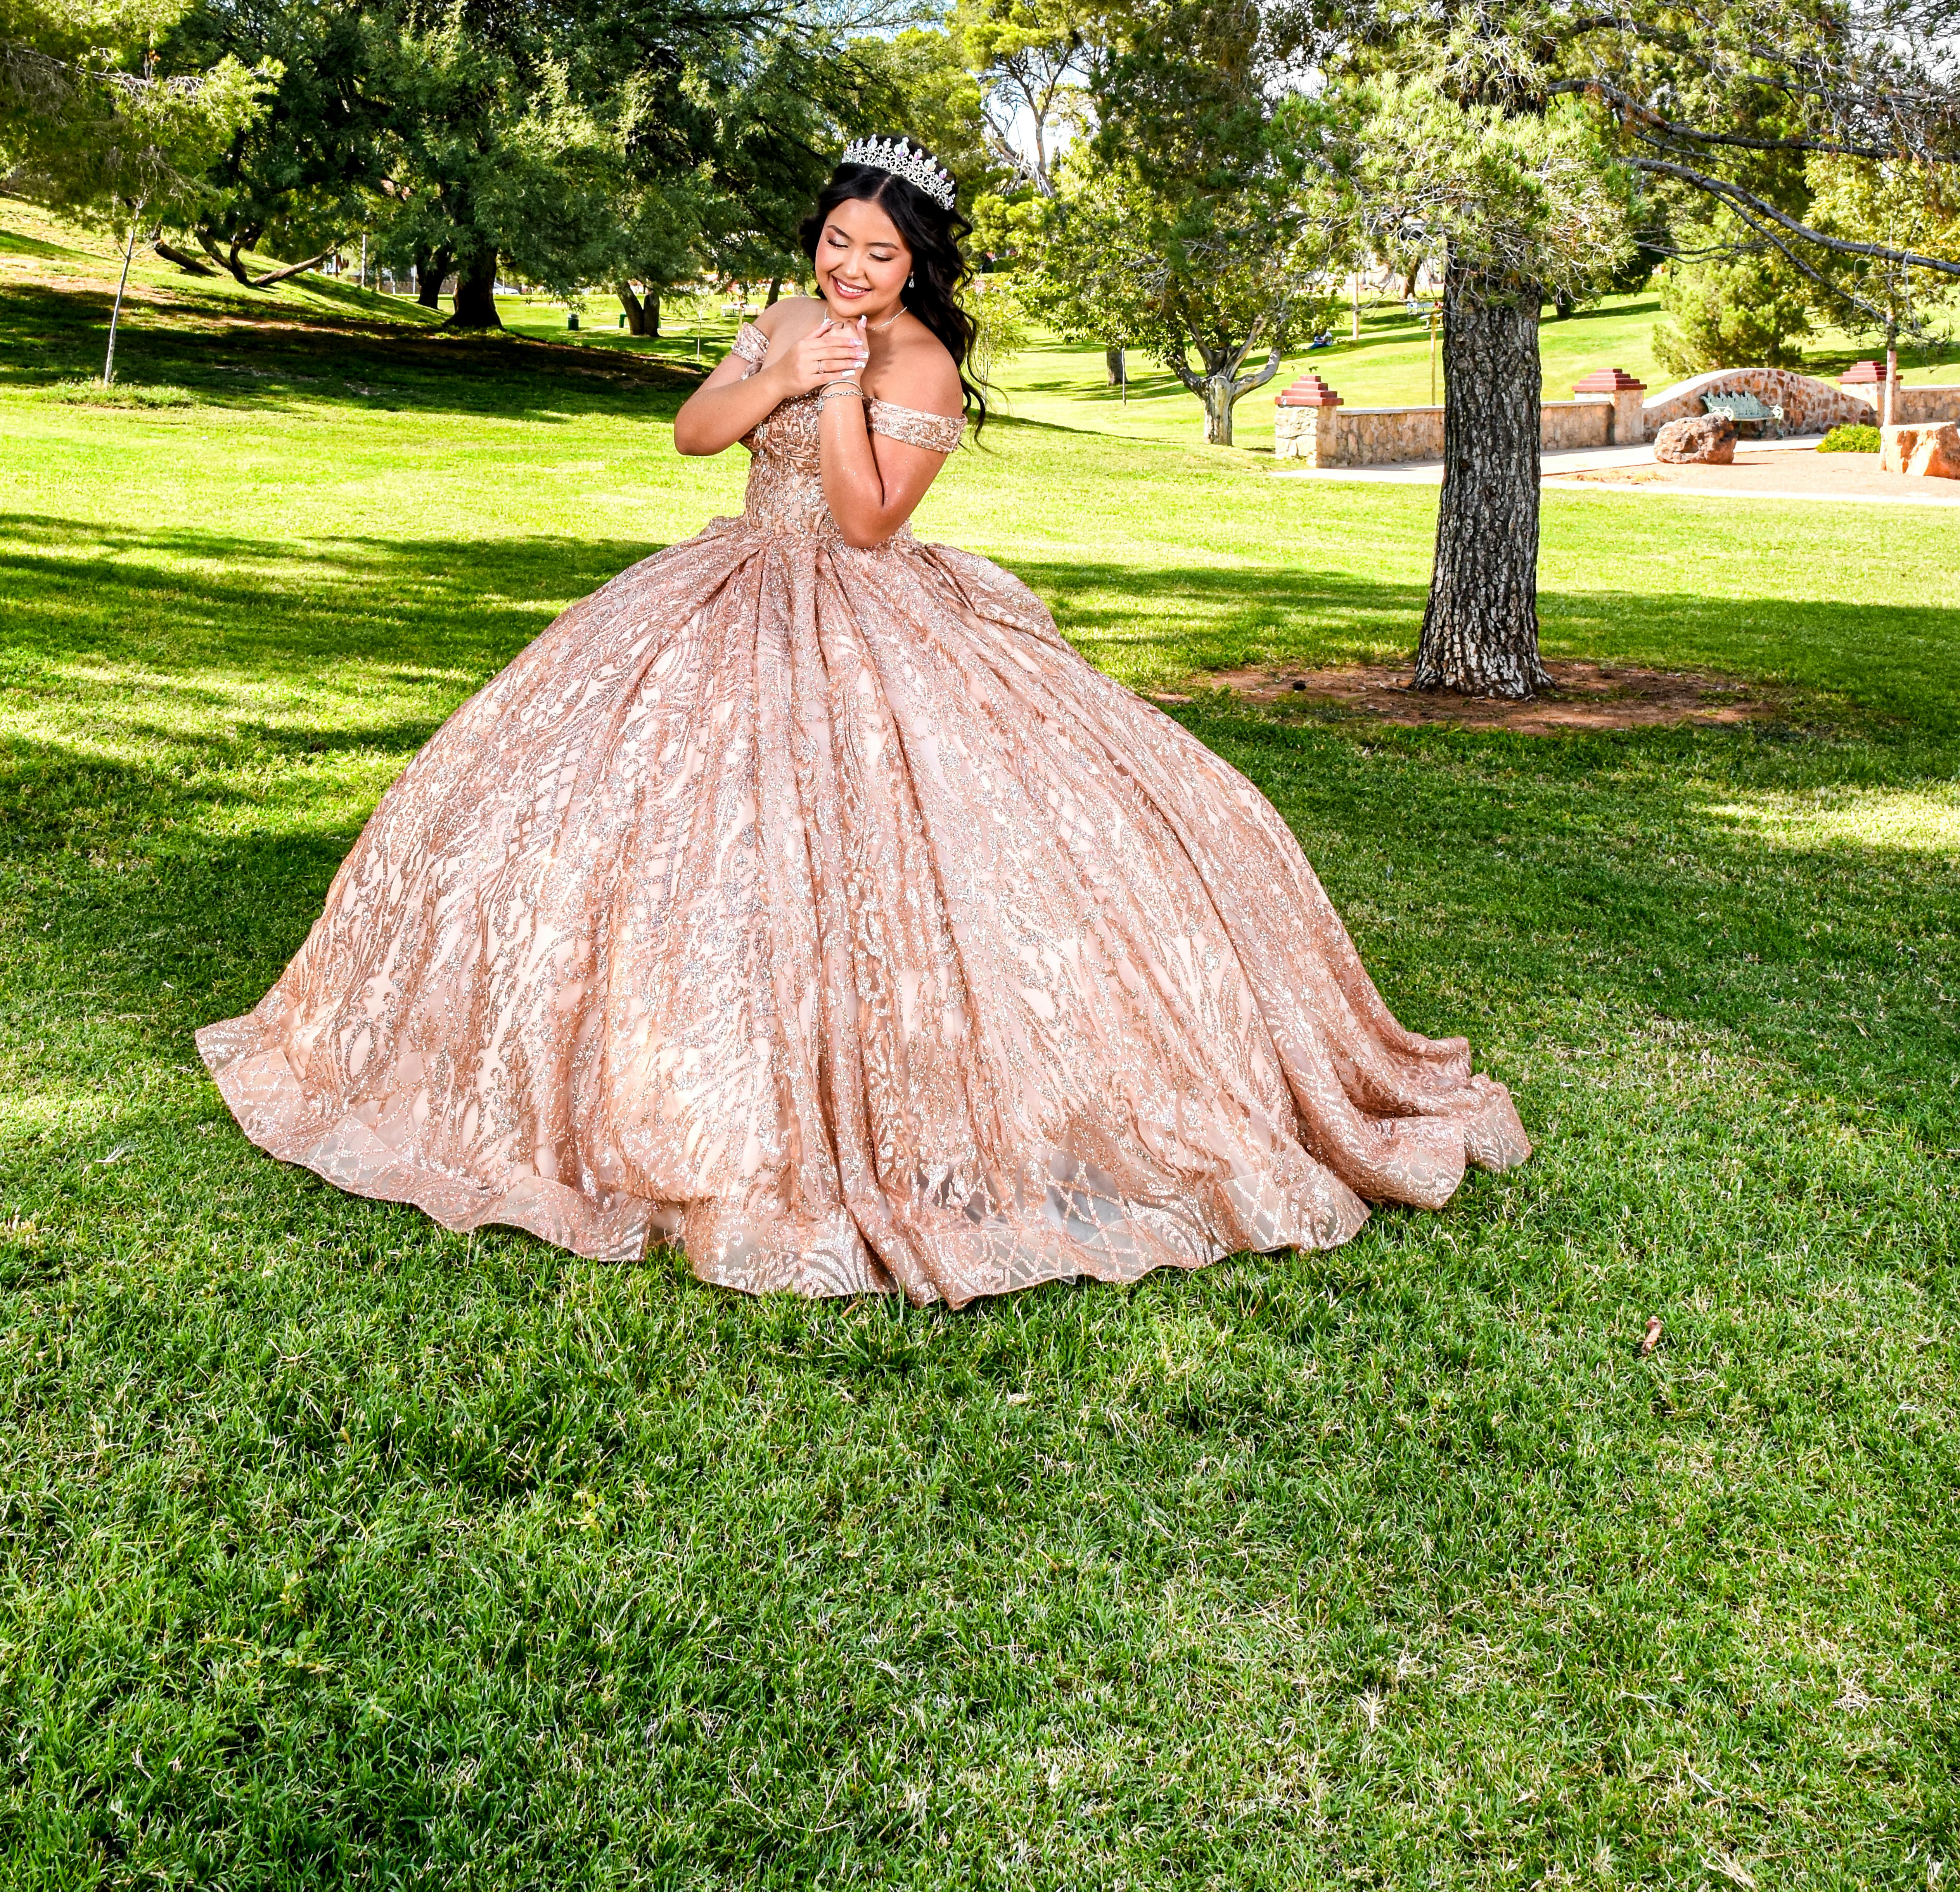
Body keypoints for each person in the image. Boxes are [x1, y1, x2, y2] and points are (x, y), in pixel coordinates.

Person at [199, 137, 1526, 1302]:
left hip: (871, 610)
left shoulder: (928, 367)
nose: (848, 266)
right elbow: (692, 432)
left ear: (916, 265)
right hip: (725, 586)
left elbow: (867, 519)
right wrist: (781, 370)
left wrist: (839, 384)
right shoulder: (784, 315)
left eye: (877, 253)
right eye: (836, 241)